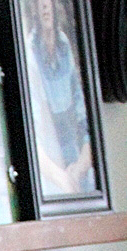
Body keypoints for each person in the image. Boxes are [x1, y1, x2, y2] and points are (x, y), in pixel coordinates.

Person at [24, 0, 96, 194]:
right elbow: (30, 138)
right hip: (50, 167)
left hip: (76, 161)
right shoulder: (29, 53)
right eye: (40, 2)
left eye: (49, 1)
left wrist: (79, 168)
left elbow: (86, 120)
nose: (45, 6)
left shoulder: (66, 49)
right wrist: (61, 178)